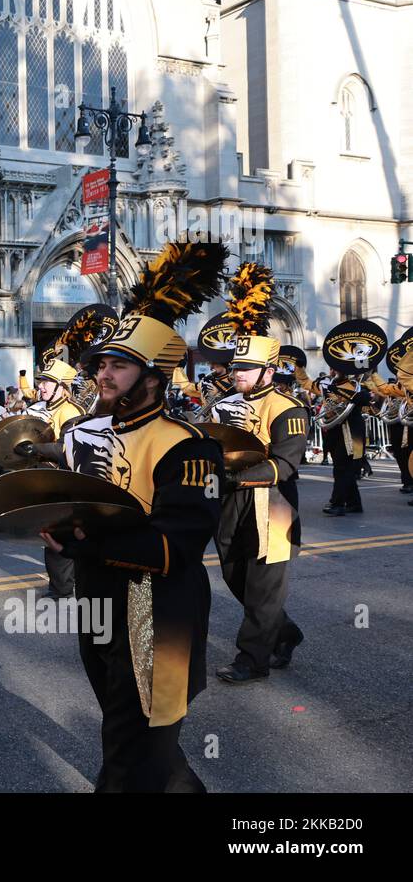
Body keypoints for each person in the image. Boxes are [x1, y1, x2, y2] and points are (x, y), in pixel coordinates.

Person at [42, 238, 226, 792]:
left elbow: (175, 550)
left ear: (153, 377)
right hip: (98, 599)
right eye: (101, 363)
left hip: (157, 609)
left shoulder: (189, 447)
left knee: (125, 753)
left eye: (119, 364)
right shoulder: (85, 434)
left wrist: (83, 539)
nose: (103, 373)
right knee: (145, 744)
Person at [209, 271, 308, 683]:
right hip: (230, 505)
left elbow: (283, 466)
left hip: (273, 505)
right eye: (237, 368)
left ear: (269, 371)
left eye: (248, 369)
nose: (239, 375)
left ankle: (252, 661)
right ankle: (285, 633)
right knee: (239, 581)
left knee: (264, 588)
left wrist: (235, 478)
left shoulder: (288, 408)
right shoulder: (222, 403)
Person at [23, 355, 87, 598]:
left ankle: (63, 587)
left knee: (60, 534)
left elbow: (67, 448)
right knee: (49, 534)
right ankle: (60, 585)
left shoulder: (71, 411)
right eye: (41, 381)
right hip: (44, 480)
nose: (41, 386)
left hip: (65, 482)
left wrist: (36, 449)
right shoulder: (40, 409)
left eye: (47, 382)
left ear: (62, 387)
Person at [320, 364, 370, 516]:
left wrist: (340, 391)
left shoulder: (357, 385)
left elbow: (365, 398)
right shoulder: (329, 385)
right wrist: (299, 369)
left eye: (335, 368)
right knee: (342, 468)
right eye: (331, 368)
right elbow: (309, 385)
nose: (332, 371)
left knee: (344, 469)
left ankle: (338, 504)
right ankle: (354, 503)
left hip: (353, 432)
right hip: (335, 431)